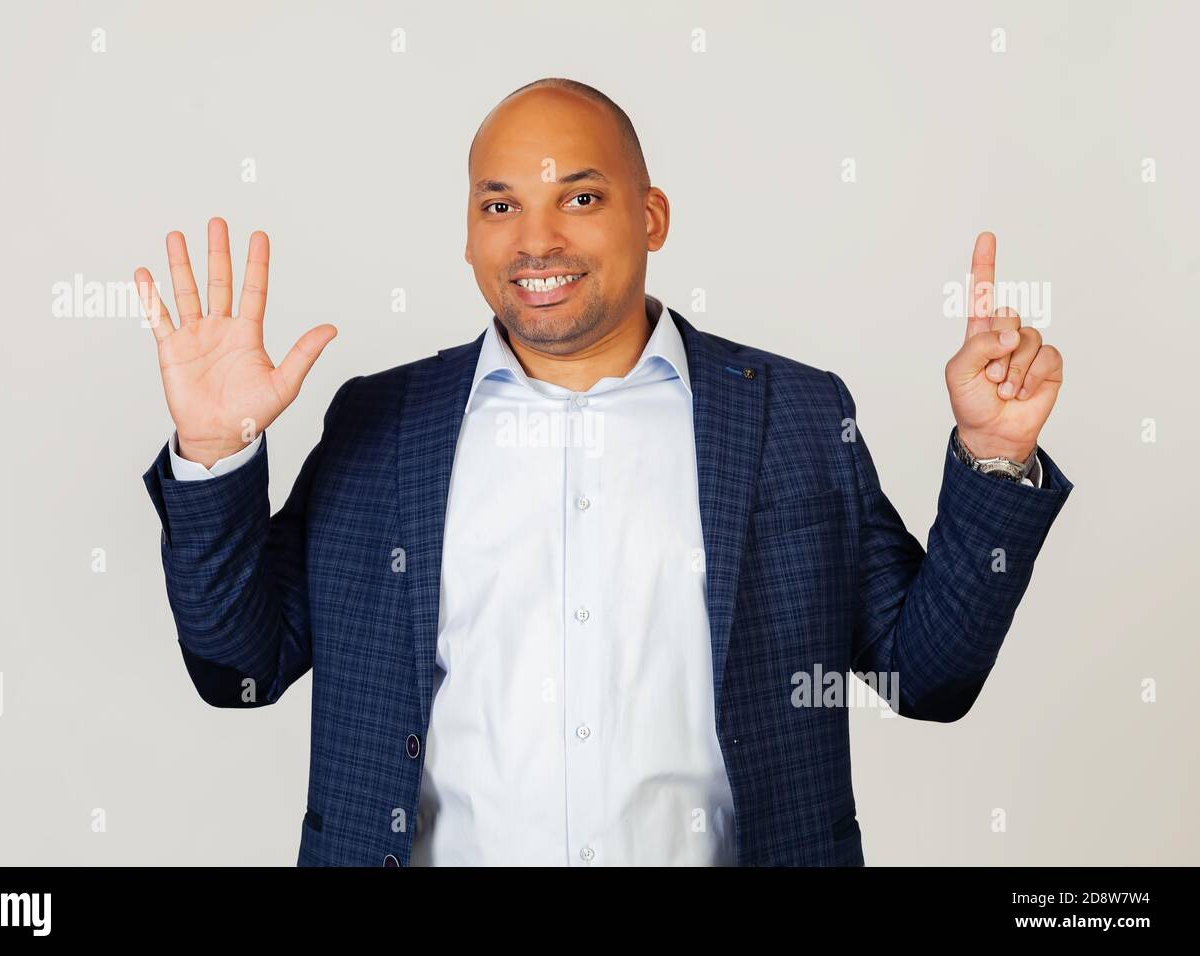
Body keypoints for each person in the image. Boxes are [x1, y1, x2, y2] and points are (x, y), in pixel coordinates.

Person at [136, 78, 1072, 866]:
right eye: (499, 205)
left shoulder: (792, 413)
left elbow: (929, 678)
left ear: (651, 215)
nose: (534, 241)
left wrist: (995, 457)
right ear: (467, 234)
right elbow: (240, 669)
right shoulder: (382, 423)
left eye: (579, 198)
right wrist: (216, 454)